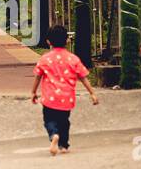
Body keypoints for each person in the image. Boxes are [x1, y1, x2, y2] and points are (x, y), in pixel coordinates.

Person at [31, 24, 98, 155]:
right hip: (66, 99)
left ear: (48, 41)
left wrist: (33, 92)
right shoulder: (73, 59)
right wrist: (92, 93)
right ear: (67, 40)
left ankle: (53, 135)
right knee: (64, 122)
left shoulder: (45, 59)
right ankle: (63, 145)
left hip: (49, 99)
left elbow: (38, 77)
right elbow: (83, 77)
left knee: (49, 120)